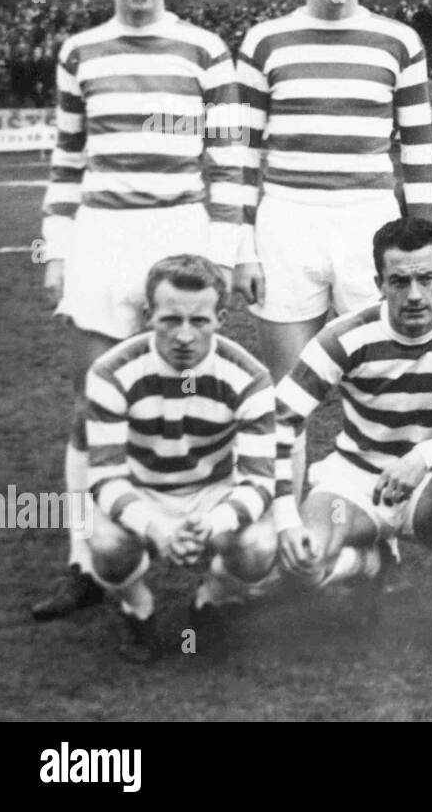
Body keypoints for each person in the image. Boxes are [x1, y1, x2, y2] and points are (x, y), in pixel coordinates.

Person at [33, 0, 244, 621]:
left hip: (178, 227)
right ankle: (84, 561)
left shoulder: (206, 50)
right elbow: (66, 161)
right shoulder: (79, 52)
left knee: (190, 387)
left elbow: (229, 163)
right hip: (101, 235)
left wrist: (226, 253)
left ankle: (217, 545)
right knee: (90, 406)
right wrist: (57, 249)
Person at [233, 0, 432, 499]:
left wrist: (421, 241)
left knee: (381, 383)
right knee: (288, 390)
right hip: (286, 221)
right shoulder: (264, 40)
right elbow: (242, 153)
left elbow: (418, 150)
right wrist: (242, 246)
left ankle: (381, 525)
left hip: (367, 224)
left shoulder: (399, 41)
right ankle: (283, 526)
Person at [272, 217, 432, 660]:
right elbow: (280, 419)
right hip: (356, 482)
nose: (415, 294)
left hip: (429, 485)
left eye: (426, 278)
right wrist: (285, 519)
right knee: (302, 566)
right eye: (400, 281)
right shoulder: (345, 335)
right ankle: (371, 563)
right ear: (379, 283)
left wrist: (423, 457)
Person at [84, 256, 277, 663]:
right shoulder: (110, 372)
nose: (185, 336)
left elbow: (259, 482)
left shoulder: (250, 376)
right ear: (148, 314)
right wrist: (156, 527)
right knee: (104, 542)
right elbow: (105, 478)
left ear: (221, 318)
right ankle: (138, 608)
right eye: (171, 319)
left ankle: (212, 599)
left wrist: (211, 523)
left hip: (213, 492)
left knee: (259, 546)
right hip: (141, 488)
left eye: (200, 321)